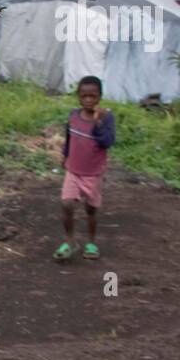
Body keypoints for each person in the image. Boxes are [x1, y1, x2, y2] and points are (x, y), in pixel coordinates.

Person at [54, 76, 115, 262]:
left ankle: (91, 242)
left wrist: (97, 124)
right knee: (66, 204)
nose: (88, 100)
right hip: (73, 170)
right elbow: (69, 137)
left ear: (100, 97)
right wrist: (65, 156)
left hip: (93, 173)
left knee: (90, 210)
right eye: (84, 96)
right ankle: (70, 240)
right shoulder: (73, 115)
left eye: (93, 96)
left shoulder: (106, 118)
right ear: (78, 97)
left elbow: (107, 142)